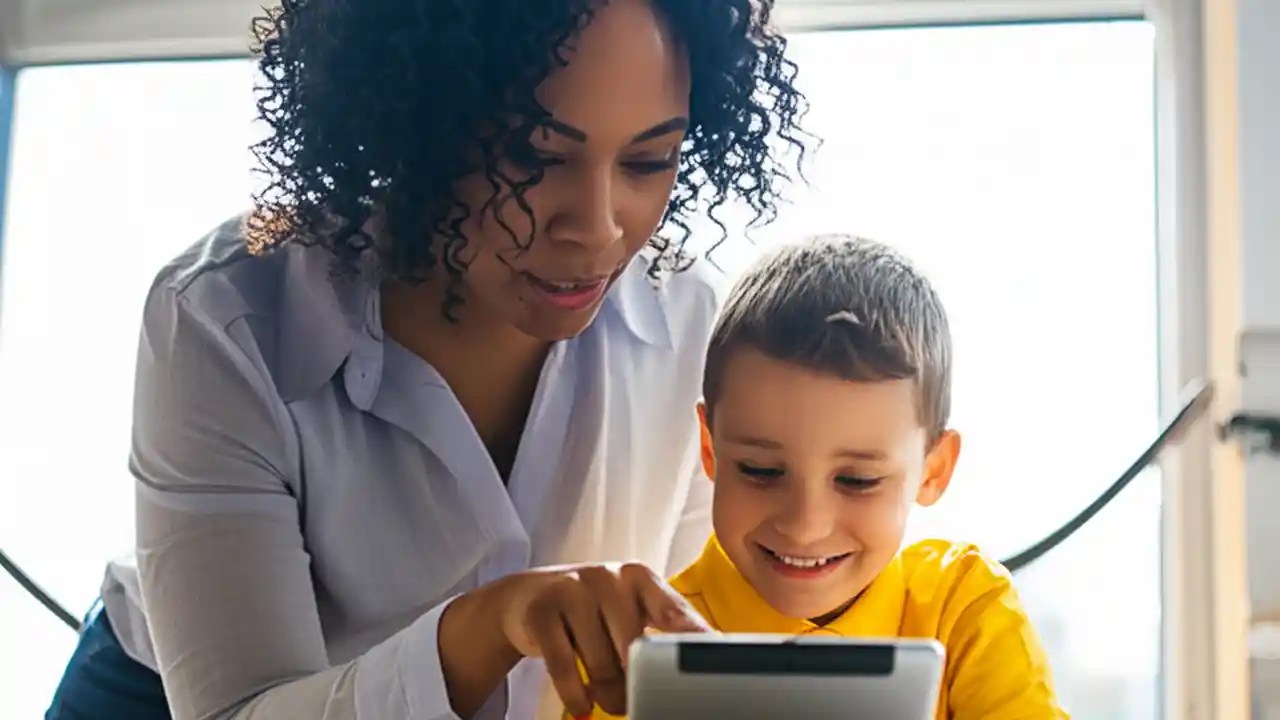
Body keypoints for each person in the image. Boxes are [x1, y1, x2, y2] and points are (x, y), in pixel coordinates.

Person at [43, 1, 808, 719]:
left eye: (649, 161)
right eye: (534, 156)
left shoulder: (697, 331)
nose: (600, 228)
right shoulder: (226, 317)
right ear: (416, 127)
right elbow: (241, 708)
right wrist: (487, 628)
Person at [585, 235, 1068, 719]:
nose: (805, 524)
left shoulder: (963, 610)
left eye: (857, 480)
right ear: (709, 451)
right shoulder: (641, 644)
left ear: (933, 470)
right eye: (761, 471)